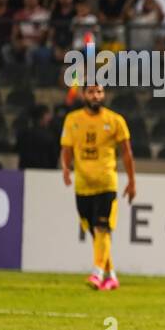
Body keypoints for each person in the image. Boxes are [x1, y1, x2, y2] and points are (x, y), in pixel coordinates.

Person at [60, 81, 136, 290]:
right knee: (96, 233)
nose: (96, 96)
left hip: (106, 183)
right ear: (83, 95)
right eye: (91, 92)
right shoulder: (72, 120)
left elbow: (127, 154)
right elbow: (66, 148)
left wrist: (131, 181)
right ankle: (111, 275)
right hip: (82, 184)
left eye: (99, 92)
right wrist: (65, 168)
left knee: (103, 227)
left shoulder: (115, 121)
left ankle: (97, 273)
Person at [16, 104, 60, 170]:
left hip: (26, 172)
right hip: (44, 172)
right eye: (48, 114)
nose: (50, 117)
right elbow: (54, 158)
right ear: (42, 117)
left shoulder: (23, 134)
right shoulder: (49, 137)